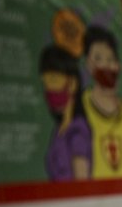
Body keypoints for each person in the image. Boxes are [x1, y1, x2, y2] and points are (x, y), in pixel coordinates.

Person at [82, 25, 122, 178]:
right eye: (99, 59)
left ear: (118, 66)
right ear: (88, 64)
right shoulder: (77, 110)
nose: (106, 65)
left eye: (111, 59)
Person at [39, 45, 91, 181]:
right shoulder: (59, 130)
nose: (50, 88)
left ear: (73, 84)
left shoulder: (77, 131)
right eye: (46, 82)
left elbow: (82, 185)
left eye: (54, 80)